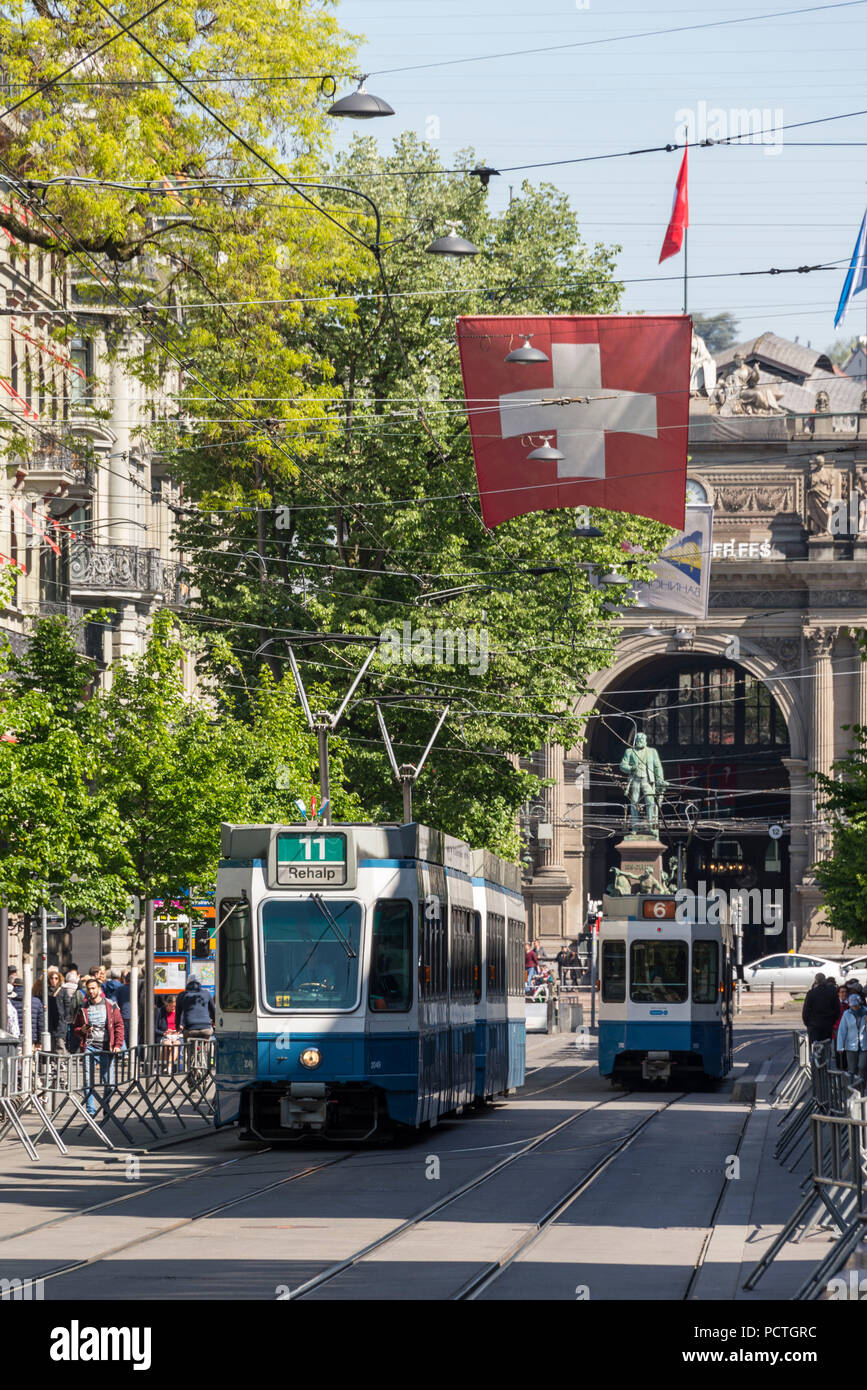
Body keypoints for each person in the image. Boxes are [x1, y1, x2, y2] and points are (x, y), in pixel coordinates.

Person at [73, 977, 125, 1118]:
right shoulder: (83, 1008)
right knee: (88, 1081)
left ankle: (105, 1104)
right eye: (88, 989)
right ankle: (91, 1110)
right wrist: (82, 1030)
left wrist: (118, 1045)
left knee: (110, 1084)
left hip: (106, 1047)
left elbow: (119, 1026)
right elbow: (75, 1029)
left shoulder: (110, 1005)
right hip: (89, 1047)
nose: (91, 991)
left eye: (93, 988)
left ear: (99, 989)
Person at [838, 992, 867, 1093]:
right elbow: (842, 1030)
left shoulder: (865, 1012)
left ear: (860, 1004)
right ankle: (851, 1090)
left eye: (856, 1005)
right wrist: (840, 1046)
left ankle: (862, 1089)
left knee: (862, 1066)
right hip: (851, 1045)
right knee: (852, 1069)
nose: (854, 1007)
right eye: (852, 1005)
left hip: (864, 1045)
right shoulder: (847, 1014)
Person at [174, 976, 215, 1042]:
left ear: (187, 983)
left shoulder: (182, 995)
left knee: (189, 1045)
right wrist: (214, 1021)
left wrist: (177, 1027)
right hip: (206, 1027)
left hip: (190, 1028)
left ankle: (190, 1051)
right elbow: (213, 1011)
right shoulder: (206, 993)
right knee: (208, 1043)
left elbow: (178, 1014)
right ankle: (207, 1051)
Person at [802, 972, 838, 1044]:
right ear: (825, 980)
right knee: (826, 1047)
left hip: (813, 1025)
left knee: (814, 1048)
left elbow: (806, 1010)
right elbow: (837, 1009)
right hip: (827, 1024)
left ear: (816, 981)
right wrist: (832, 1021)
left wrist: (807, 1023)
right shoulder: (832, 992)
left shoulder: (811, 993)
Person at [9, 975, 45, 1046]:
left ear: (13, 985)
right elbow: (41, 1023)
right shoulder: (36, 1002)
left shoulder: (8, 1001)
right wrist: (39, 1041)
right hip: (31, 1038)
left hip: (12, 1039)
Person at [45, 968, 71, 1053]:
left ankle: (62, 1060)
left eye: (56, 978)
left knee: (60, 1041)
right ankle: (52, 1060)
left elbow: (67, 1005)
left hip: (60, 1020)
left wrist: (65, 1018)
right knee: (50, 1042)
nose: (54, 980)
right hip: (49, 1020)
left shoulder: (62, 991)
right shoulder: (46, 991)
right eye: (51, 978)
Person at [833, 984, 850, 1070]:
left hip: (849, 1029)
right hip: (838, 1028)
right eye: (842, 992)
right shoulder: (835, 1004)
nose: (844, 994)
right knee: (839, 1047)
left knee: (848, 1048)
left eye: (846, 992)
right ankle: (839, 1067)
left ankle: (847, 1065)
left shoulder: (850, 1003)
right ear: (838, 993)